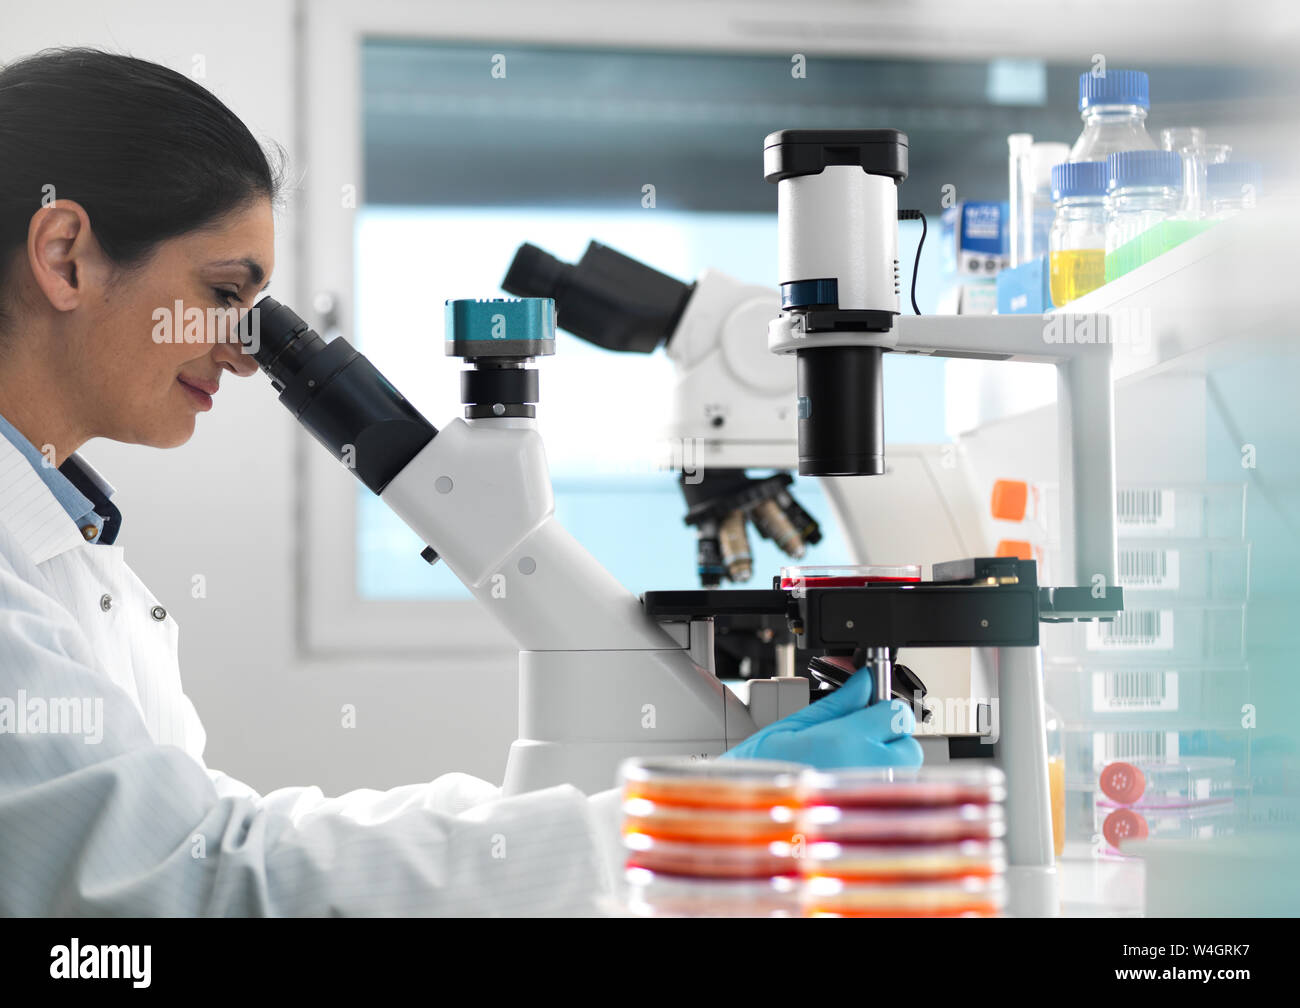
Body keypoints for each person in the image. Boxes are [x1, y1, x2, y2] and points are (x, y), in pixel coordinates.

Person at [0, 48, 922, 917]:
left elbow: (215, 835)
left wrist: (579, 823)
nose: (248, 355)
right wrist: (680, 826)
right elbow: (205, 888)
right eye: (226, 293)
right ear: (66, 256)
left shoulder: (66, 545)